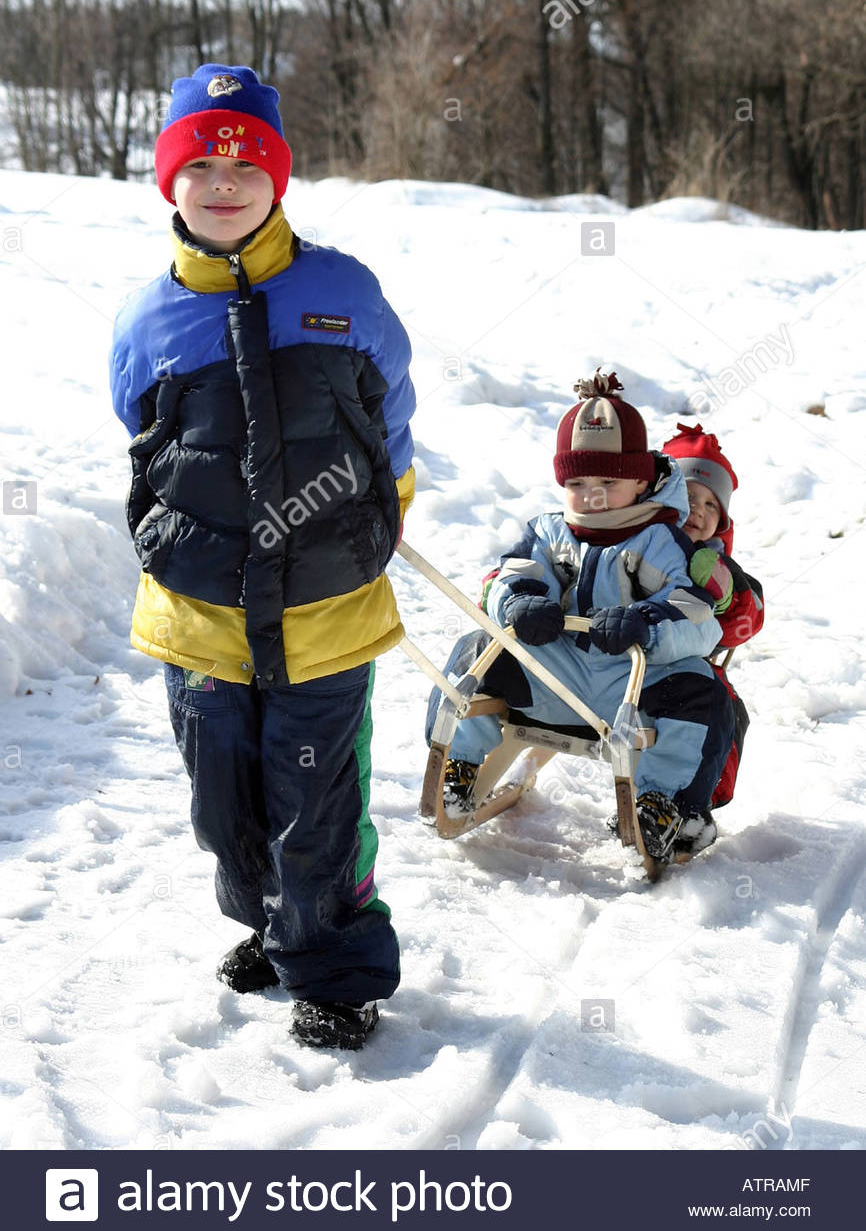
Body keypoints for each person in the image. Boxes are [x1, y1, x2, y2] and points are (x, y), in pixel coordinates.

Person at [109, 64, 416, 1050]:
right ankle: (275, 923)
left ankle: (333, 963)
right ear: (171, 181)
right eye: (200, 161)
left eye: (245, 160)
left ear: (277, 176)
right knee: (224, 802)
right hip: (200, 613)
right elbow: (141, 435)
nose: (223, 180)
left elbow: (392, 416)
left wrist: (381, 516)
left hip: (325, 606)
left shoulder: (340, 291)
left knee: (315, 799)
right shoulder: (147, 320)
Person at [428, 371, 734, 863]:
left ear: (640, 481)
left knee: (704, 691)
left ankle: (661, 801)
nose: (591, 495)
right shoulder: (549, 533)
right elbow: (512, 575)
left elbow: (696, 612)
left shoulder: (658, 540)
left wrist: (644, 623)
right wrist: (520, 603)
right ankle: (456, 765)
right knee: (475, 650)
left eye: (608, 482)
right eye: (576, 482)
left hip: (629, 693)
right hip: (550, 680)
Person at [662, 423, 764, 807]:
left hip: (682, 667)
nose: (699, 513)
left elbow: (745, 621)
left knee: (723, 707)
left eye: (711, 505)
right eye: (689, 498)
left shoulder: (717, 566)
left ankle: (693, 802)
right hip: (616, 655)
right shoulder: (634, 546)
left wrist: (727, 593)